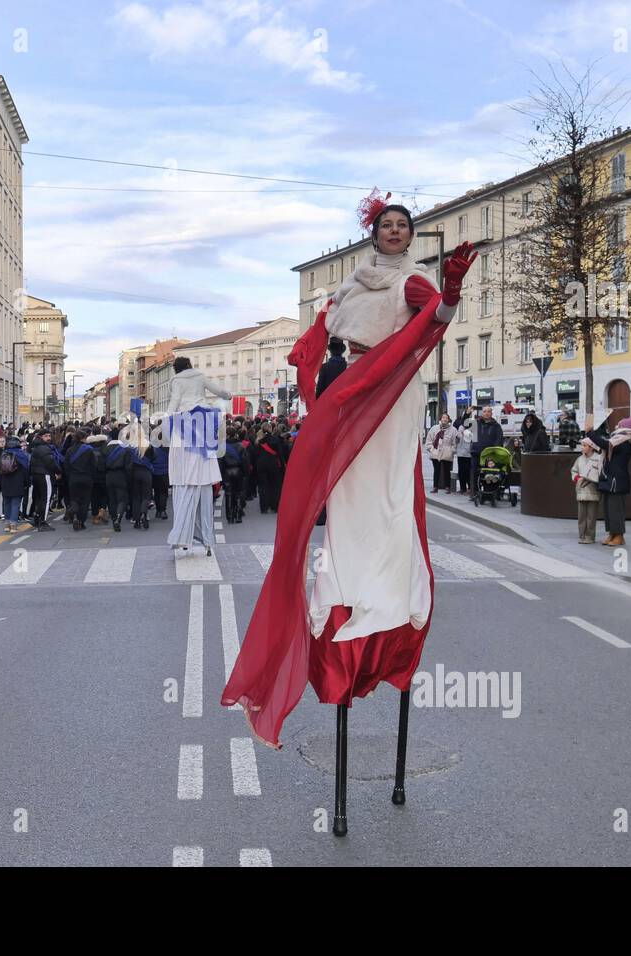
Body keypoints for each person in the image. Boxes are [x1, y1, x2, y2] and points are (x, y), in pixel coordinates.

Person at [223, 188, 476, 746]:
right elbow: (326, 328)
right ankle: (348, 579)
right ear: (374, 232)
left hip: (387, 386)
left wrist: (451, 289)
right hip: (349, 386)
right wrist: (308, 351)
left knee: (384, 491)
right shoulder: (352, 282)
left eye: (403, 225)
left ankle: (385, 592)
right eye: (386, 224)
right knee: (344, 492)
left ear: (411, 236)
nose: (394, 231)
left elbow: (438, 317)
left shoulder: (413, 280)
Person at [164, 356, 232, 554]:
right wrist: (228, 395)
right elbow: (219, 391)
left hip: (183, 429)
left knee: (184, 481)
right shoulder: (200, 376)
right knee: (203, 482)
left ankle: (183, 535)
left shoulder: (176, 381)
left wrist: (165, 418)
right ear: (190, 366)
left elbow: (174, 402)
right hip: (202, 425)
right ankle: (207, 540)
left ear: (176, 369)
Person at [590, 415, 631, 548]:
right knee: (608, 509)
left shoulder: (624, 442)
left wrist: (590, 433)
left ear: (625, 428)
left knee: (616, 510)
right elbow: (605, 446)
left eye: (619, 425)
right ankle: (612, 533)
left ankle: (619, 535)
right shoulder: (618, 440)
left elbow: (605, 444)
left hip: (616, 481)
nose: (616, 427)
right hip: (609, 479)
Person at [65, 429, 99, 531]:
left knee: (75, 499)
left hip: (73, 478)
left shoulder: (69, 450)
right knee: (85, 501)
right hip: (86, 478)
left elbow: (66, 466)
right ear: (84, 438)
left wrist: (70, 476)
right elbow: (94, 465)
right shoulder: (89, 450)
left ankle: (73, 509)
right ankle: (81, 521)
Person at [570, 436, 601, 544]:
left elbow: (600, 473)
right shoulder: (579, 459)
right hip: (581, 490)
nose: (582, 447)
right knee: (581, 515)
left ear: (591, 447)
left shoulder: (598, 458)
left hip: (593, 490)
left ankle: (590, 536)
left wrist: (594, 478)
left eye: (584, 445)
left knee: (591, 516)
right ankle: (582, 535)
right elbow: (574, 470)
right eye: (582, 445)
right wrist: (576, 478)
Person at [0, 435, 33, 532]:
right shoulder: (21, 455)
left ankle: (7, 525)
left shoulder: (3, 454)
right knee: (15, 503)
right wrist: (27, 483)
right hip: (18, 482)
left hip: (5, 482)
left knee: (6, 503)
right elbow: (26, 470)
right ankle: (13, 525)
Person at [470, 405, 503, 500]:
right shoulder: (476, 423)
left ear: (491, 413)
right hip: (476, 453)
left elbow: (499, 439)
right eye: (484, 411)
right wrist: (467, 413)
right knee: (475, 474)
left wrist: (495, 451)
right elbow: (464, 426)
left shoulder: (496, 426)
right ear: (482, 413)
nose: (486, 413)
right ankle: (474, 493)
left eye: (488, 411)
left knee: (489, 474)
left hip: (489, 455)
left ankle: (491, 493)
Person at [28, 429, 59, 531]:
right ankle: (43, 522)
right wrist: (59, 471)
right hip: (45, 474)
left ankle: (37, 518)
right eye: (46, 436)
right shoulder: (44, 448)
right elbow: (50, 462)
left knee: (40, 498)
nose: (49, 438)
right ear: (41, 437)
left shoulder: (36, 447)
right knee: (46, 498)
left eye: (49, 436)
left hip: (37, 474)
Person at [103, 430, 132, 533]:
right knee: (122, 499)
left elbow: (102, 465)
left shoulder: (105, 449)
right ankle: (118, 519)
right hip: (121, 475)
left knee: (112, 499)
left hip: (109, 476)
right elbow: (129, 467)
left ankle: (114, 517)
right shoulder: (125, 449)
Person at [426, 413, 456, 493]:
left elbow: (455, 442)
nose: (445, 419)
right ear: (440, 419)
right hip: (436, 451)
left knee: (447, 470)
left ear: (448, 419)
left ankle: (448, 487)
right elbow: (429, 440)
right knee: (436, 470)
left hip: (447, 452)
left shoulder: (453, 430)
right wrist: (431, 449)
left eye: (446, 418)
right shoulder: (434, 428)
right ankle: (435, 487)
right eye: (443, 417)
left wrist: (451, 451)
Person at [130, 441, 155, 530]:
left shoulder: (132, 447)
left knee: (136, 497)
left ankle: (136, 520)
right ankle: (144, 513)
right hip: (146, 471)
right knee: (146, 496)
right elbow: (154, 457)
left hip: (135, 472)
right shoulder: (149, 446)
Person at [454, 409, 474, 495]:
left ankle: (470, 488)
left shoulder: (473, 426)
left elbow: (473, 439)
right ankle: (462, 488)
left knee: (468, 472)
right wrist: (459, 435)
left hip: (469, 453)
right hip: (460, 452)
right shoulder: (460, 427)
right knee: (461, 471)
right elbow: (457, 437)